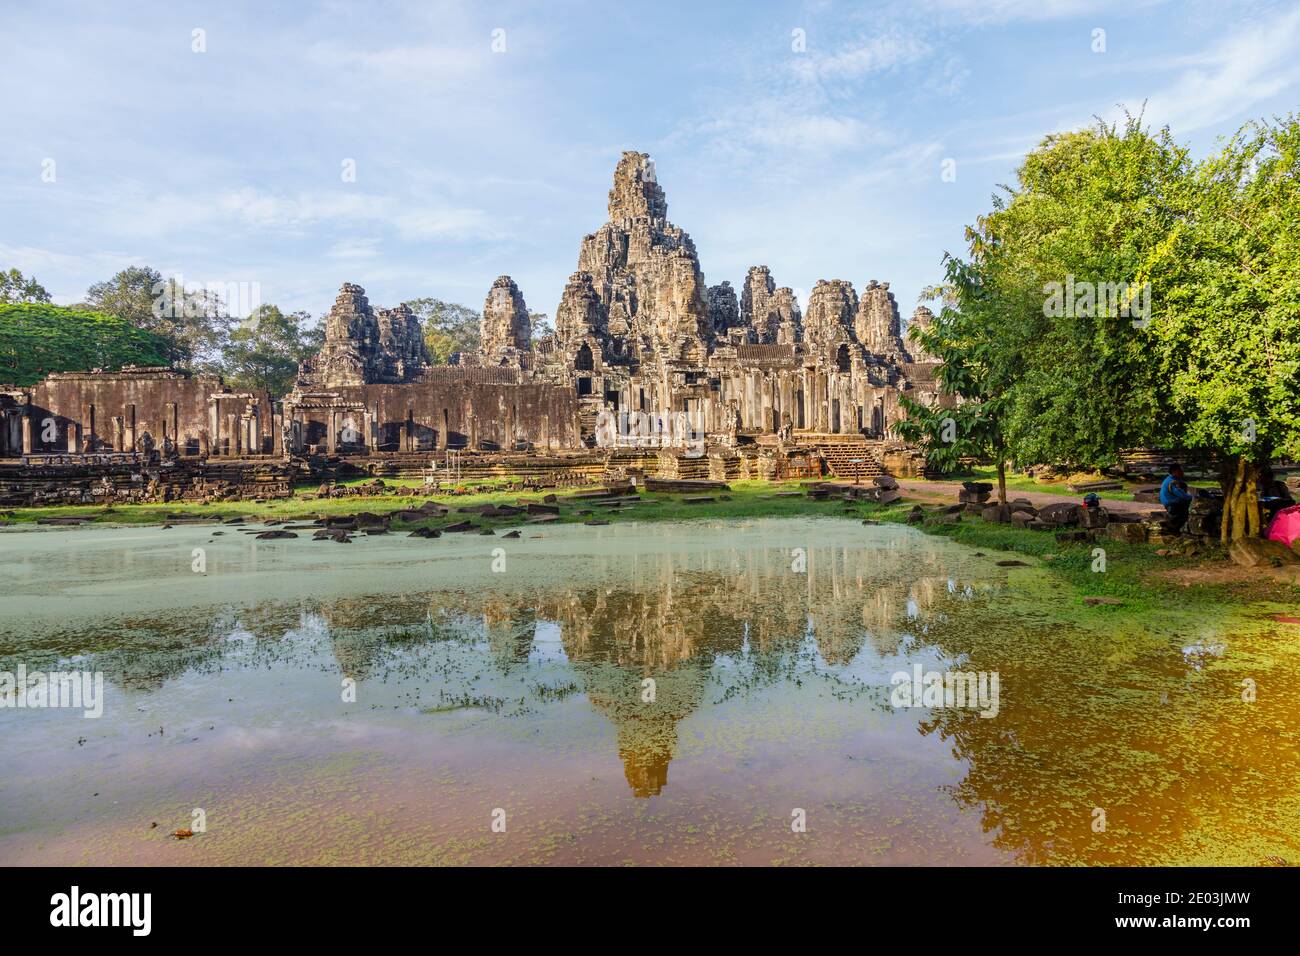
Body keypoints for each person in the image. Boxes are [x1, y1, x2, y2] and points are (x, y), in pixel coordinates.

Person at [1160, 464, 1194, 531]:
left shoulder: (1168, 479)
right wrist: (1195, 497)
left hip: (1170, 504)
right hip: (1173, 505)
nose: (1182, 473)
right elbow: (1182, 495)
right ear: (1174, 472)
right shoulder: (1173, 482)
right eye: (1180, 471)